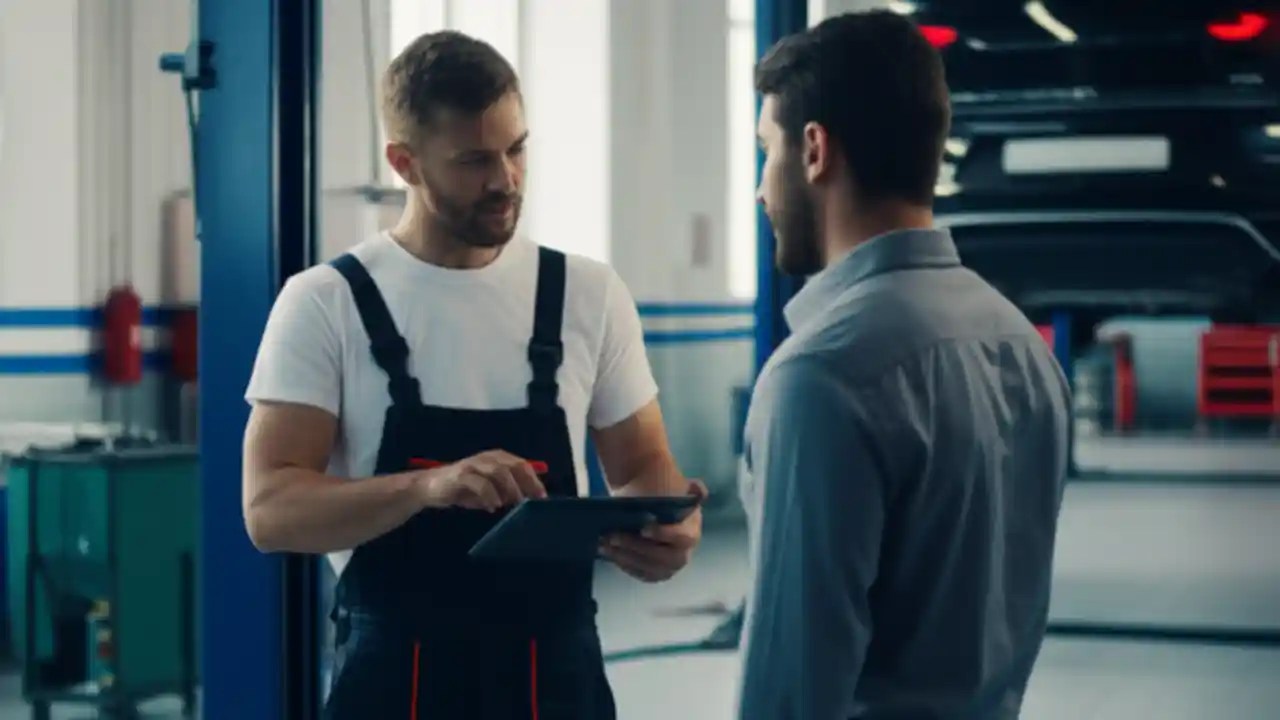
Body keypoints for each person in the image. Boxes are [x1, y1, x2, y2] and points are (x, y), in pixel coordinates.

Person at [240, 30, 705, 719]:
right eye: (474, 161)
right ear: (404, 162)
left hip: (558, 680)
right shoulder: (326, 303)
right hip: (399, 682)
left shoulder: (587, 294)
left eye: (517, 149)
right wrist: (427, 487)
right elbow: (270, 512)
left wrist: (670, 530)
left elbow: (644, 468)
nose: (506, 180)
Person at [735, 11, 1072, 719]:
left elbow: (792, 687)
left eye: (766, 151)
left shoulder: (820, 377)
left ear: (815, 149)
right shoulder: (1019, 344)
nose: (761, 191)